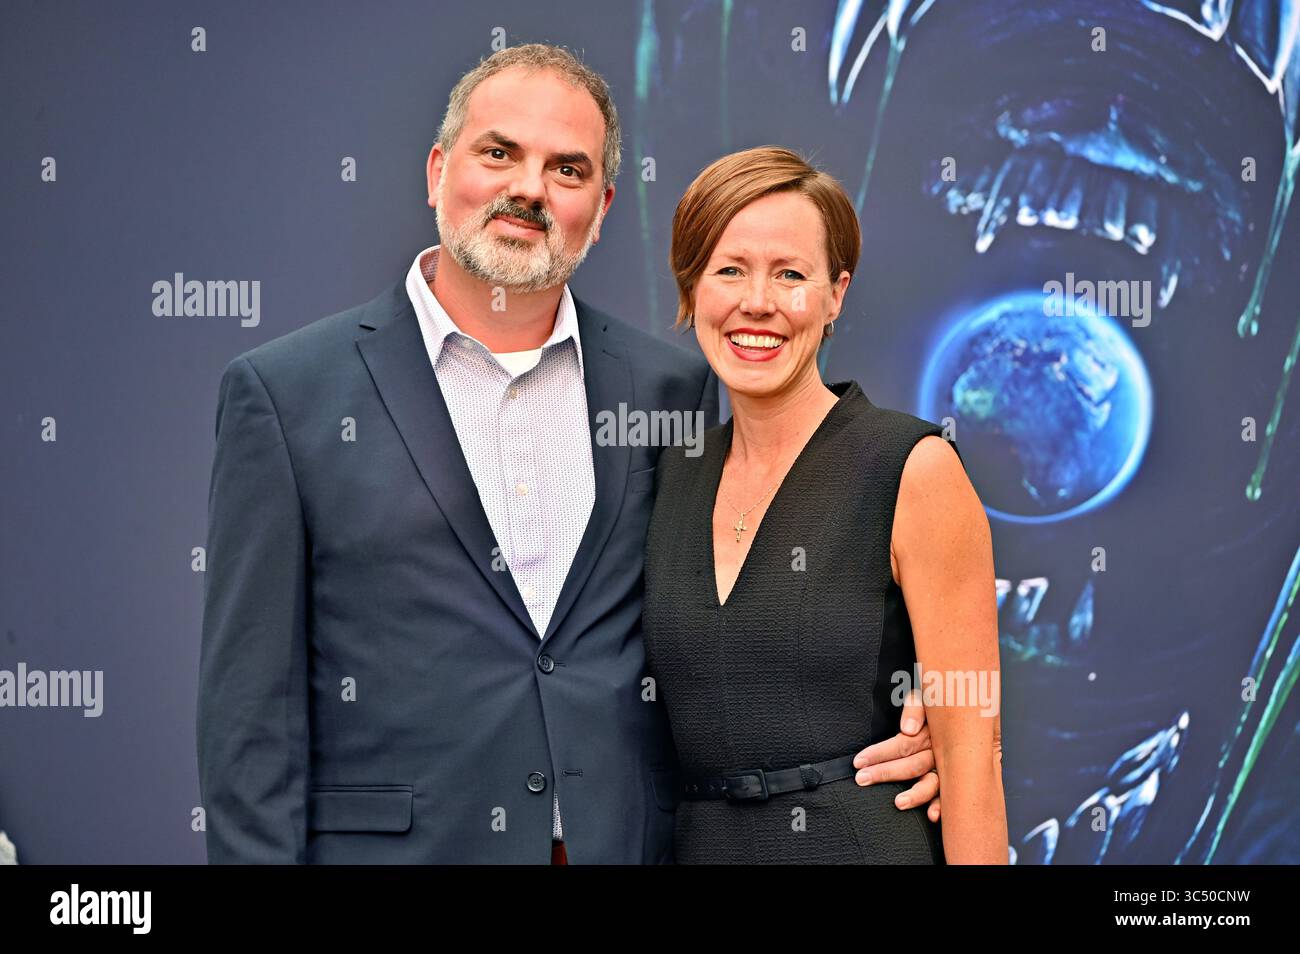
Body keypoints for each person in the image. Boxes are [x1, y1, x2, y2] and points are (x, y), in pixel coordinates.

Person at [196, 44, 944, 865]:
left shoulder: (673, 393)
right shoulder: (288, 396)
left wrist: (924, 726)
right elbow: (248, 720)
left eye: (568, 169)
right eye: (499, 153)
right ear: (438, 170)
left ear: (604, 203)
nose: (529, 188)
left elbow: (745, 624)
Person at [644, 146, 1008, 863]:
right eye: (729, 270)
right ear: (691, 288)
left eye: (791, 274)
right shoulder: (667, 478)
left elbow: (972, 759)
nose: (758, 303)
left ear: (836, 294)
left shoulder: (912, 468)